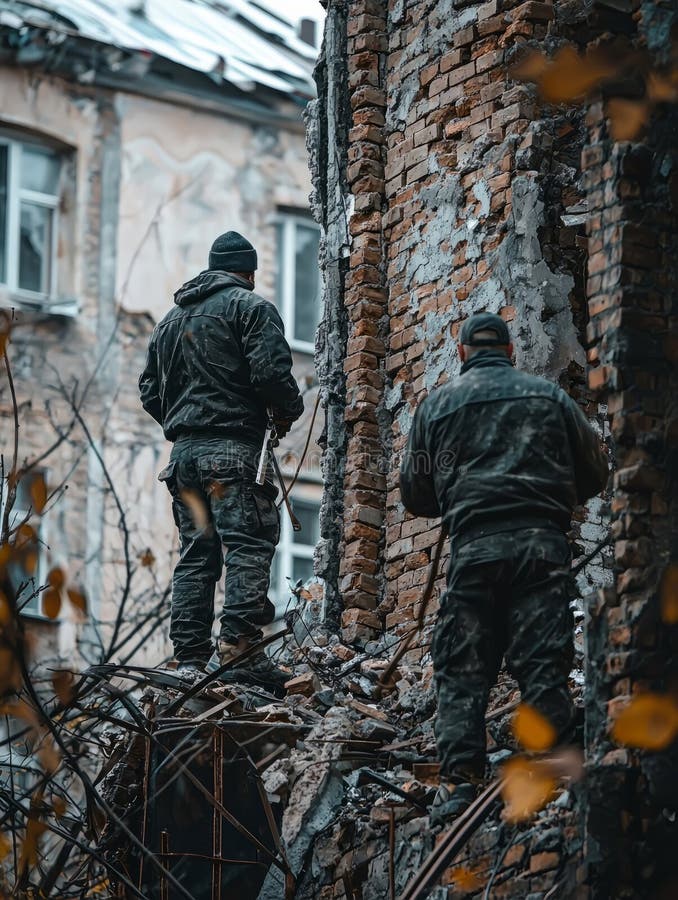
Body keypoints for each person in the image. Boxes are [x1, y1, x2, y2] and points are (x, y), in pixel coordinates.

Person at [399, 312, 608, 826]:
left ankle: (458, 785)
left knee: (463, 668)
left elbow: (415, 494)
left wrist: (460, 494)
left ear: (462, 353)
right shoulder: (550, 398)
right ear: (511, 352)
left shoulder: (436, 407)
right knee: (542, 662)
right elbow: (595, 473)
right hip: (541, 548)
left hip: (474, 552)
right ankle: (552, 777)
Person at [139, 231, 303, 691]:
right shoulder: (250, 308)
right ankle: (239, 650)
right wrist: (287, 412)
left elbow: (149, 391)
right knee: (248, 545)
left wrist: (183, 422)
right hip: (232, 453)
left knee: (196, 555)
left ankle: (189, 659)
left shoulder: (169, 322)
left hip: (183, 458)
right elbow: (272, 375)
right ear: (248, 272)